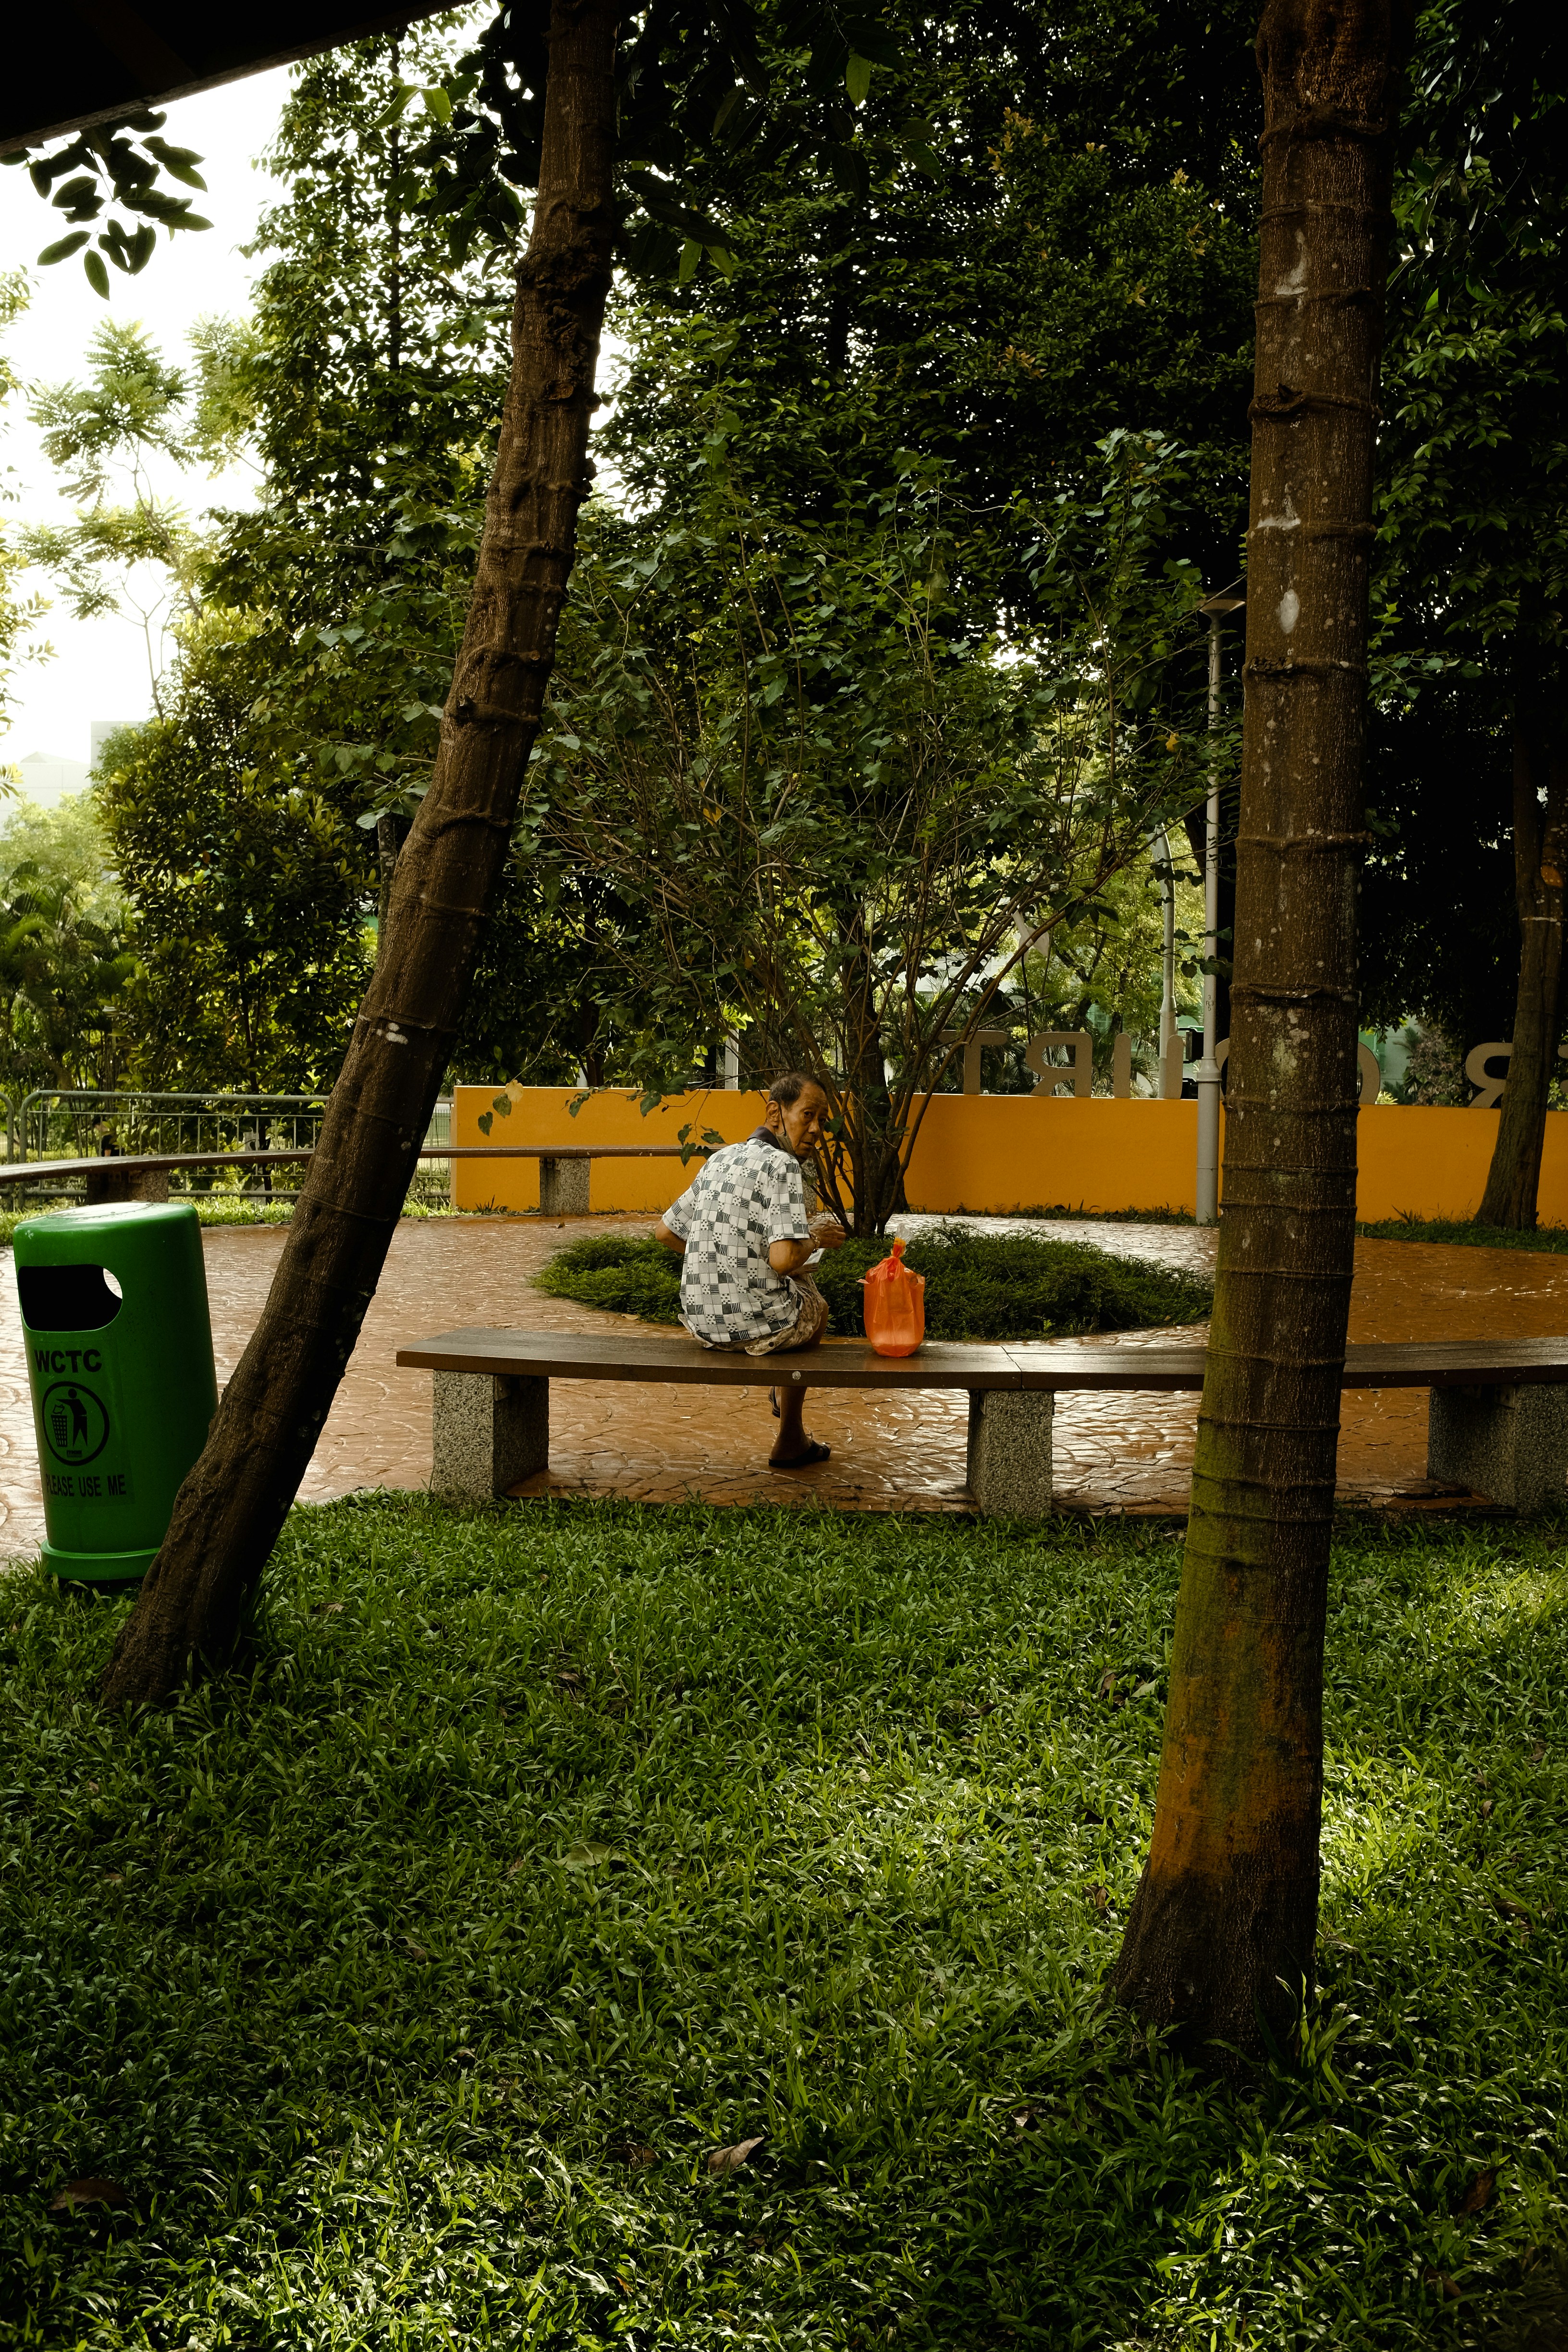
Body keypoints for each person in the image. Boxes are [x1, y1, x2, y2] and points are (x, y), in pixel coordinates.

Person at [654, 1071, 846, 1469]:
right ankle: (790, 1432)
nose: (815, 1130)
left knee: (793, 1279)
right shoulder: (785, 1166)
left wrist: (724, 1257)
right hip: (755, 1325)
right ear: (775, 1113)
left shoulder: (719, 1158)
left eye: (822, 1122)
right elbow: (783, 1260)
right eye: (808, 1115)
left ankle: (787, 1414)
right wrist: (816, 1238)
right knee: (817, 1304)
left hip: (702, 1324)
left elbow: (665, 1231)